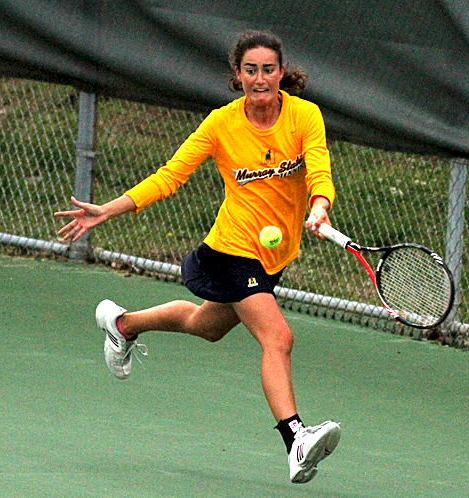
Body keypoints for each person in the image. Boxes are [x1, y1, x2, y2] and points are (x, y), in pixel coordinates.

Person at [54, 30, 340, 484]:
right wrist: (109, 208)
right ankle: (296, 439)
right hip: (232, 251)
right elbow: (171, 176)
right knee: (278, 338)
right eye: (251, 70)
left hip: (274, 254)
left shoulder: (304, 116)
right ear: (238, 76)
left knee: (205, 327)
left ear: (282, 73)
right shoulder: (221, 124)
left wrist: (320, 203)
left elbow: (318, 167)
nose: (260, 79)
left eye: (269, 69)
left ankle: (123, 324)